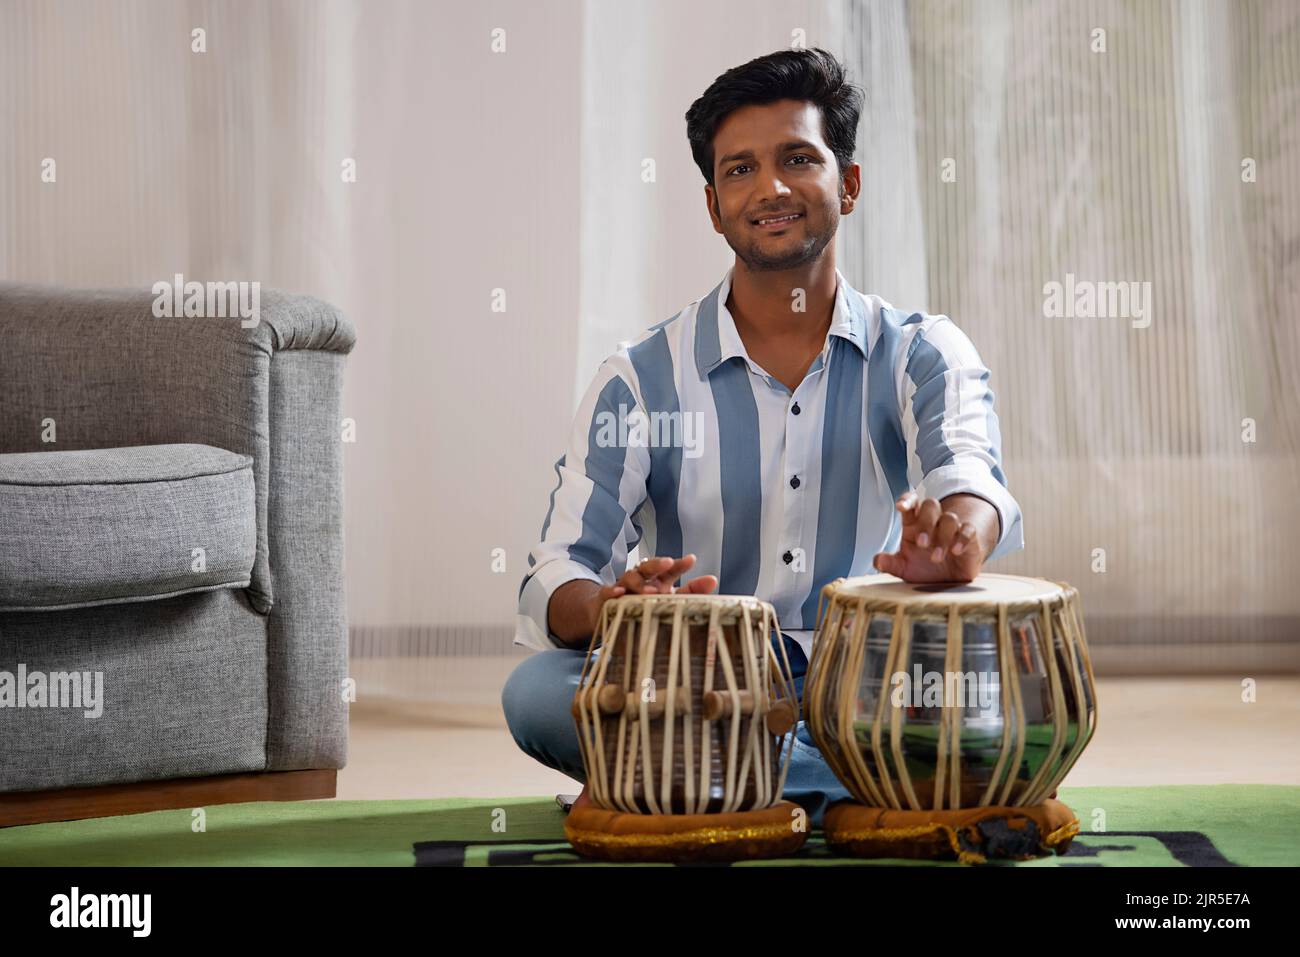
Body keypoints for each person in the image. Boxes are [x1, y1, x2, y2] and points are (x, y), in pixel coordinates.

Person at [502, 47, 1024, 826]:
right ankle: (863, 791)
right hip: (697, 681)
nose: (771, 188)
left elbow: (971, 480)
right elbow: (556, 572)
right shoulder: (639, 378)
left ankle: (695, 780)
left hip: (870, 681)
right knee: (537, 693)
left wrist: (958, 542)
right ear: (714, 207)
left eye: (797, 159)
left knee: (987, 692)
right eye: (740, 169)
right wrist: (615, 607)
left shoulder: (922, 351)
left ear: (848, 184)